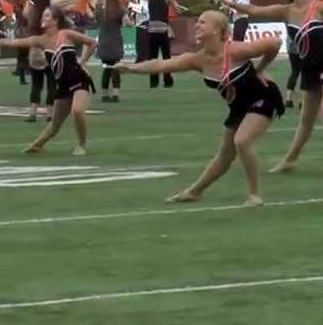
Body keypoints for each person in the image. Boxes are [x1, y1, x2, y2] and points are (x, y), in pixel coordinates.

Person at [119, 11, 284, 206]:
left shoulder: (234, 51)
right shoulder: (197, 59)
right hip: (238, 106)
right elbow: (163, 64)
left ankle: (255, 195)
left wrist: (260, 67)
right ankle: (194, 192)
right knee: (225, 154)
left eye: (203, 23)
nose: (197, 25)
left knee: (242, 140)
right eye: (197, 22)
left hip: (263, 96)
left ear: (217, 30)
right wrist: (131, 69)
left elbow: (274, 43)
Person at [220, 0, 323, 177]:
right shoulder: (285, 11)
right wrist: (230, 3)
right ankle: (290, 160)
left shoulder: (319, 7)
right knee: (306, 120)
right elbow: (255, 10)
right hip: (308, 67)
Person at [0, 7, 98, 155]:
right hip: (62, 85)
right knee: (55, 123)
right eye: (43, 15)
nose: (43, 18)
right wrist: (0, 41)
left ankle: (81, 145)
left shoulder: (66, 34)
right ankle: (37, 145)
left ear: (56, 20)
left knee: (77, 110)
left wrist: (83, 61)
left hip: (79, 79)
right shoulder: (41, 40)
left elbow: (92, 43)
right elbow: (19, 42)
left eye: (47, 16)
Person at [143, 0, 184, 89]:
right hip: (163, 29)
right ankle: (167, 80)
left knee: (153, 57)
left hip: (152, 29)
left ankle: (153, 82)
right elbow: (179, 11)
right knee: (166, 56)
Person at [97, 0, 126, 102]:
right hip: (115, 42)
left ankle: (104, 95)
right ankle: (115, 94)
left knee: (106, 69)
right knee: (115, 69)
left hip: (103, 42)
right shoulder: (119, 11)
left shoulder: (100, 11)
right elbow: (129, 22)